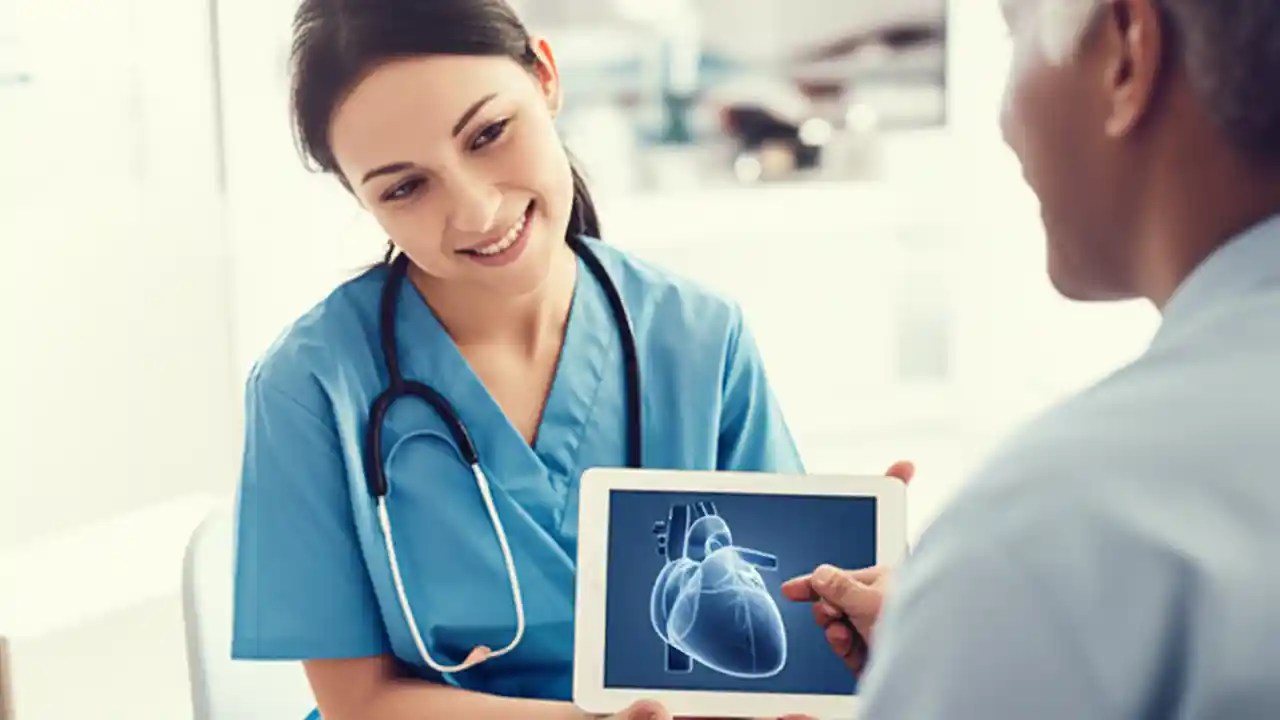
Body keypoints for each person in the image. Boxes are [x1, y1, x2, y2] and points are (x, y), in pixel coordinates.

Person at [226, 1, 908, 719]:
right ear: (362, 200)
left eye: (489, 134)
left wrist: (862, 612)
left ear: (545, 76)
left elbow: (771, 662)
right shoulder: (310, 387)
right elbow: (358, 702)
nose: (477, 209)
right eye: (404, 187)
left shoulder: (699, 337)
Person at [781, 0, 1280, 717]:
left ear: (1127, 54)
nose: (1004, 125)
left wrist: (979, 630)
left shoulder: (1059, 536)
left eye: (1013, 33)